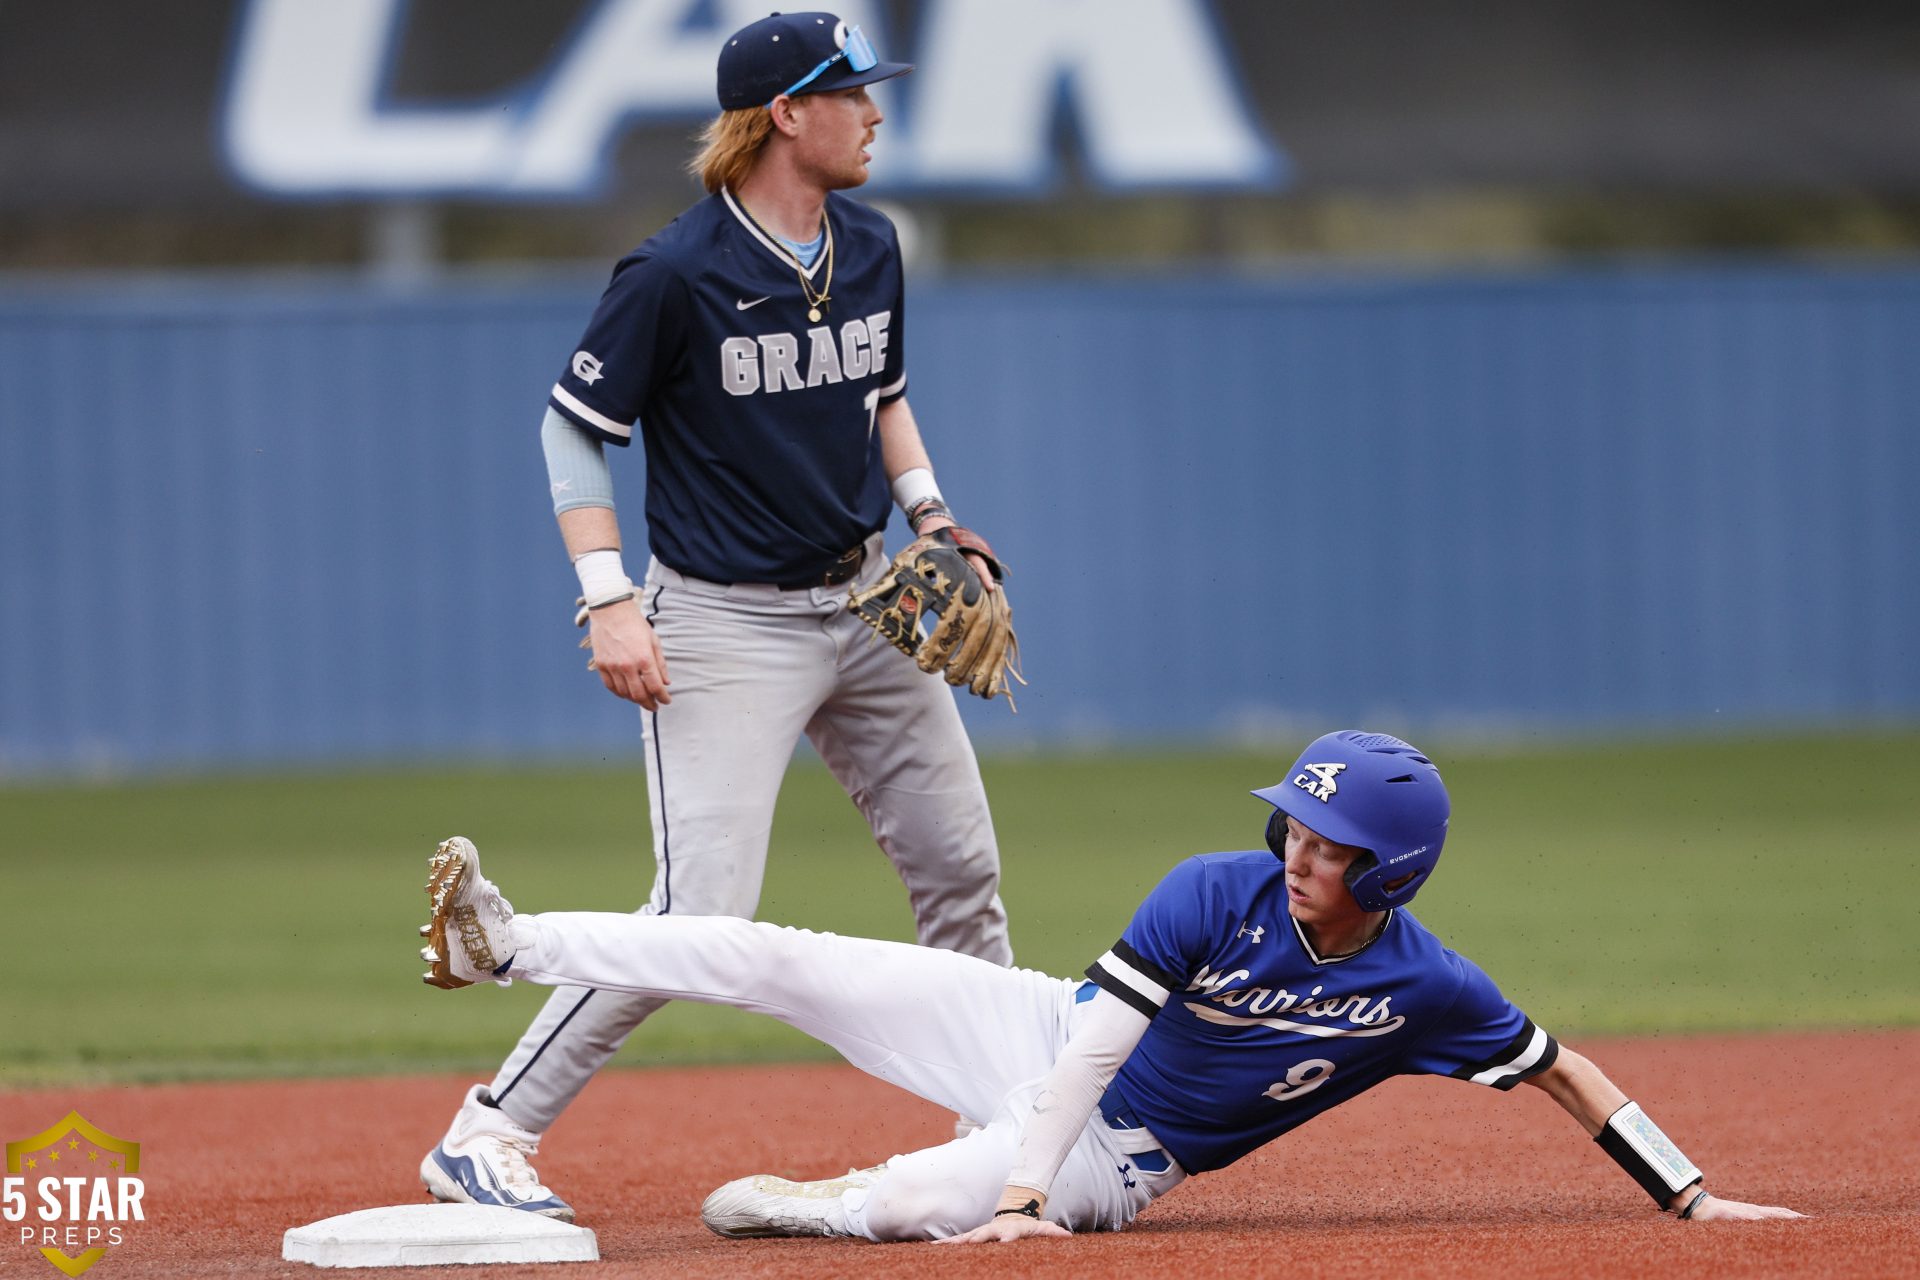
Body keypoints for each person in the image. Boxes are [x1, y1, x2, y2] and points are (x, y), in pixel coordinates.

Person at [418, 12, 1014, 1222]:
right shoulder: (676, 271)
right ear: (787, 113)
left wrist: (934, 516)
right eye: (850, 93)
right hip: (724, 623)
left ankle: (1008, 1121)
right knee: (701, 914)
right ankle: (488, 1132)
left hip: (866, 599)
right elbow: (572, 430)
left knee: (962, 869)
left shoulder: (873, 242)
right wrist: (608, 602)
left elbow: (884, 398)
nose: (875, 111)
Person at [416, 730, 1804, 1242]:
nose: (1304, 850)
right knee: (784, 958)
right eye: (1300, 827)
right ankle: (513, 942)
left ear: (1396, 875)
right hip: (1050, 1037)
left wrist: (1686, 1192)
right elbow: (1089, 1051)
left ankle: (842, 1202)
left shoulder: (1426, 989)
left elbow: (1561, 1067)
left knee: (913, 1203)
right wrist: (1024, 1187)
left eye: (1338, 845)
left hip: (1128, 1161)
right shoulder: (1215, 889)